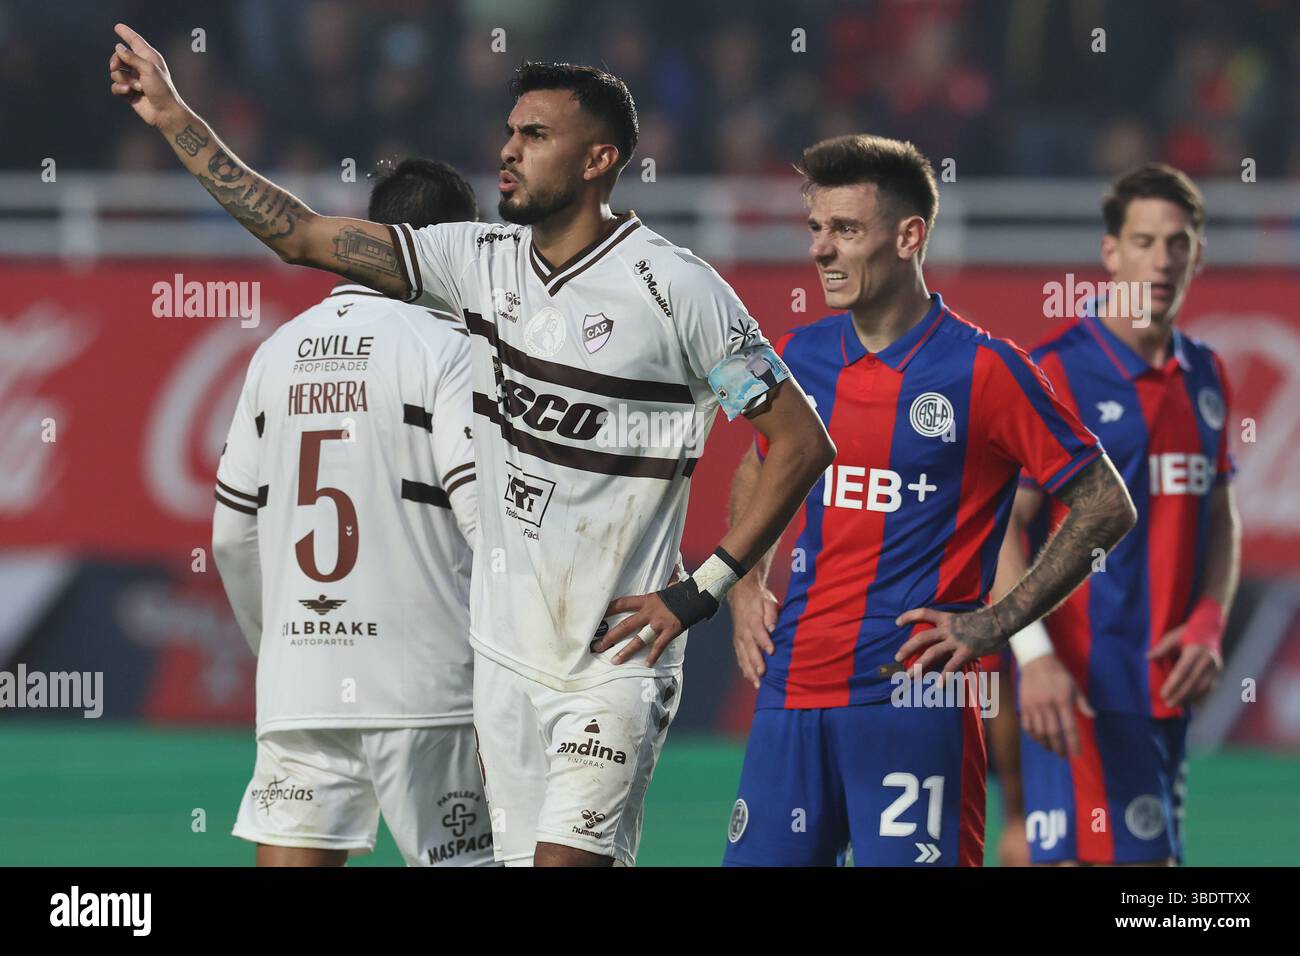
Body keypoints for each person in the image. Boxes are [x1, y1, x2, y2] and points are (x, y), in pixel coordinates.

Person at [111, 23, 834, 866]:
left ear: (599, 160)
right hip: (502, 666)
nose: (509, 151)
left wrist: (702, 590)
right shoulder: (477, 260)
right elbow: (300, 235)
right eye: (508, 132)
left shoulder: (677, 289)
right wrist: (174, 118)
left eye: (535, 135)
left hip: (613, 666)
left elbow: (800, 441)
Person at [723, 134, 1137, 866]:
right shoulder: (787, 355)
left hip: (918, 700)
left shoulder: (990, 369)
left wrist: (997, 623)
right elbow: (758, 466)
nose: (821, 250)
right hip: (792, 687)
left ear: (909, 236)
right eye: (816, 228)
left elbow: (1107, 504)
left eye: (845, 229)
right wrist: (743, 584)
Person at [213, 157, 493, 866]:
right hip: (430, 687)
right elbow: (487, 528)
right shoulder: (450, 351)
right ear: (450, 249)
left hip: (301, 682)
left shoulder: (275, 353)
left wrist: (280, 643)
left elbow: (228, 539)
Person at [993, 163, 1239, 866]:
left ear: (1197, 254)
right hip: (1075, 695)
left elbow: (1220, 517)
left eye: (1177, 243)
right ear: (1111, 253)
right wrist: (1033, 657)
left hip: (1165, 695)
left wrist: (1210, 622)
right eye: (1143, 241)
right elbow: (1001, 526)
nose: (1161, 260)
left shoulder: (1208, 375)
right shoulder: (1056, 373)